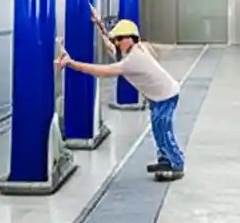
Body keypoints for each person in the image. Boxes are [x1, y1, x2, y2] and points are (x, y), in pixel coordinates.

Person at [56, 14, 185, 179]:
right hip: (157, 96)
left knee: (163, 129)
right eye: (116, 39)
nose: (117, 43)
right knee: (158, 129)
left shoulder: (134, 59)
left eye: (120, 39)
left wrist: (71, 63)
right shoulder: (131, 50)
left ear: (131, 39)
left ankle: (176, 164)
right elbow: (110, 45)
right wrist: (100, 25)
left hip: (166, 96)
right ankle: (165, 160)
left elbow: (101, 71)